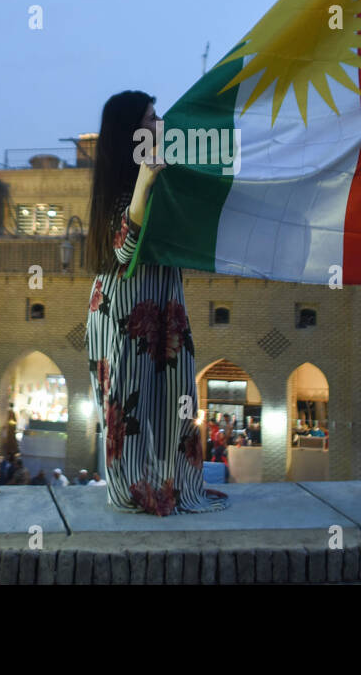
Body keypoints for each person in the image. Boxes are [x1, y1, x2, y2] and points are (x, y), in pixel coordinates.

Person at [84, 90, 227, 516]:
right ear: (131, 131)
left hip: (164, 303)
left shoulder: (161, 169)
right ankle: (133, 486)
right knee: (130, 400)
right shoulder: (120, 188)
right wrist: (145, 181)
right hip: (126, 310)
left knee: (175, 395)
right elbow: (125, 251)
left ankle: (175, 482)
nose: (159, 122)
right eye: (150, 117)